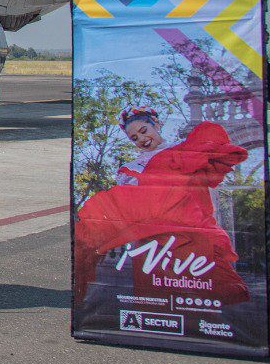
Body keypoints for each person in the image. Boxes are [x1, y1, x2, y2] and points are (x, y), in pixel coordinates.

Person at [73, 107, 249, 305]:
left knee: (213, 291)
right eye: (134, 138)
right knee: (157, 298)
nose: (141, 139)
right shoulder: (132, 167)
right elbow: (136, 203)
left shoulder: (186, 149)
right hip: (154, 241)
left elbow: (207, 174)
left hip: (192, 229)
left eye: (144, 131)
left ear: (156, 125)